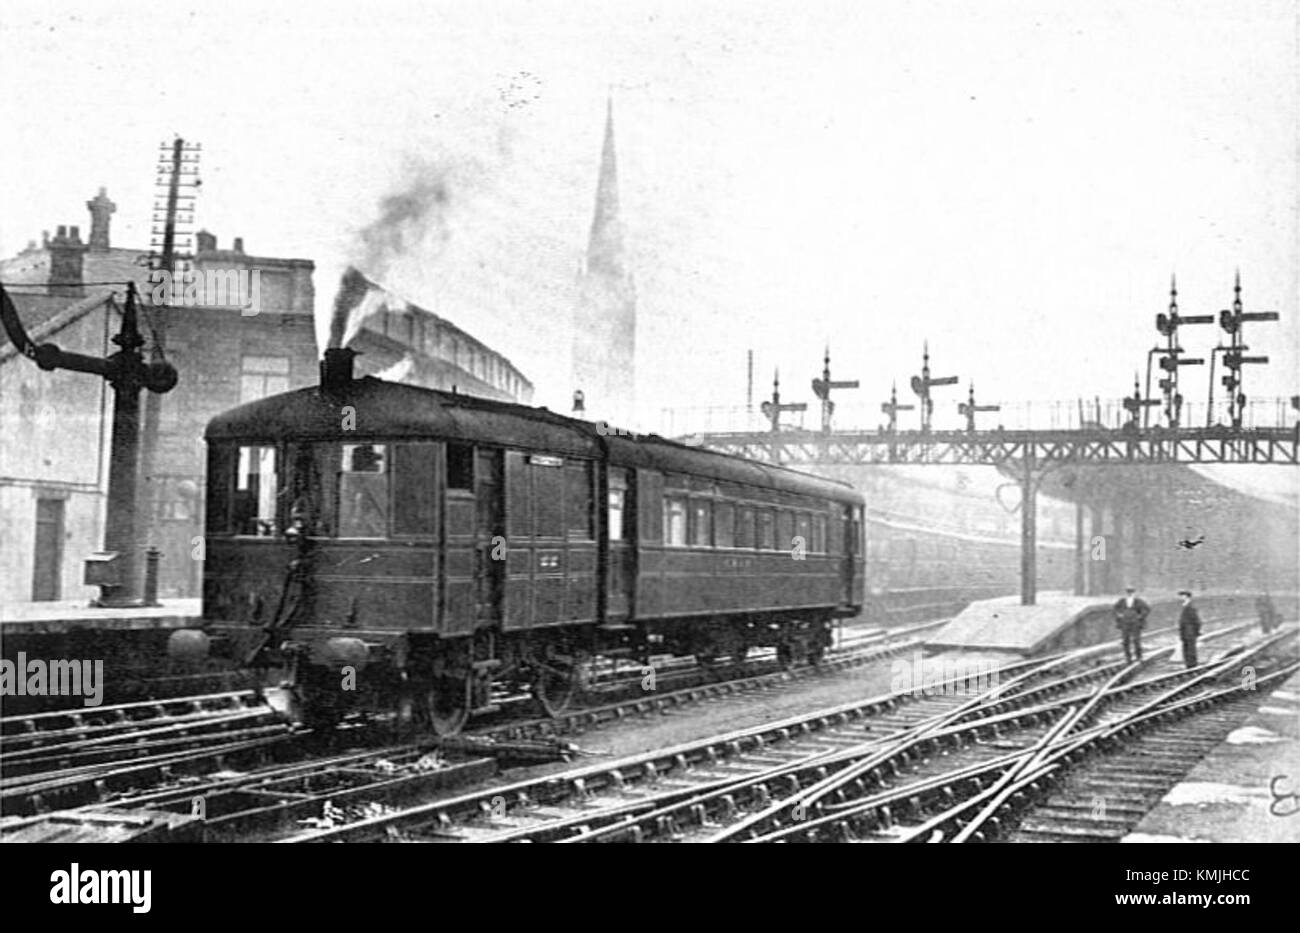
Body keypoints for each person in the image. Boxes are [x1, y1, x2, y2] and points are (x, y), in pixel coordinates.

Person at [1113, 585, 1150, 663]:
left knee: (1136, 640)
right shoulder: (1122, 601)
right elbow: (1115, 609)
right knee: (1125, 640)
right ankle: (1128, 657)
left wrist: (1140, 616)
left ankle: (1139, 657)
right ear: (1126, 593)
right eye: (1128, 592)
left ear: (1134, 593)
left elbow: (1146, 609)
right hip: (1125, 622)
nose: (1130, 594)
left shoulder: (1139, 601)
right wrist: (1119, 615)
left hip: (1135, 622)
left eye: (1131, 592)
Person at [1178, 590, 1201, 669]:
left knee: (1190, 649)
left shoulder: (1190, 607)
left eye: (1183, 596)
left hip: (1190, 632)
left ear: (1187, 597)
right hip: (1185, 632)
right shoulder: (1185, 606)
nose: (1181, 597)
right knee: (1186, 648)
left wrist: (1195, 631)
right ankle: (1189, 665)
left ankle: (1192, 665)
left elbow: (1197, 621)